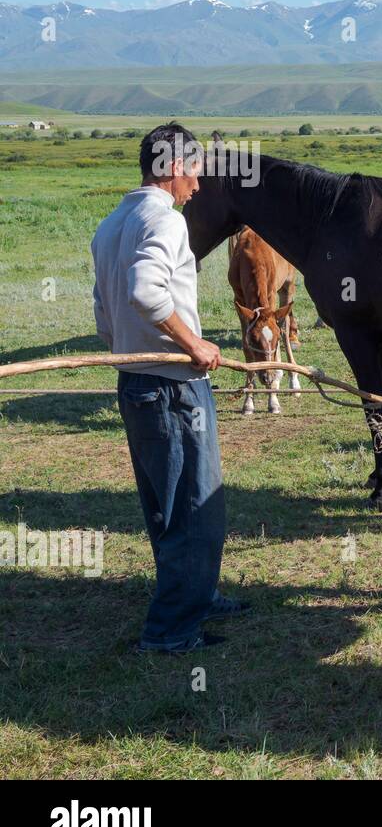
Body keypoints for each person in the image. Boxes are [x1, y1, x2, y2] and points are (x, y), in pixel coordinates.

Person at [91, 123, 248, 654]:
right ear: (175, 167)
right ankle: (172, 630)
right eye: (195, 173)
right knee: (196, 505)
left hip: (136, 381)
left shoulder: (113, 222)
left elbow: (104, 310)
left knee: (166, 503)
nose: (198, 187)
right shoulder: (167, 222)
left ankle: (195, 594)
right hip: (173, 386)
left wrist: (126, 349)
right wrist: (194, 345)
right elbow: (144, 289)